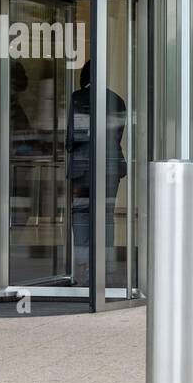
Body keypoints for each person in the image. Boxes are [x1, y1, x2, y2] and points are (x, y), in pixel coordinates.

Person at [66, 62, 128, 285]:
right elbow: (118, 134)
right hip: (111, 165)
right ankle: (103, 265)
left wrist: (71, 148)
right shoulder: (117, 99)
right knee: (106, 215)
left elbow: (72, 136)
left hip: (82, 166)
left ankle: (83, 266)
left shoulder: (76, 98)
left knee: (82, 214)